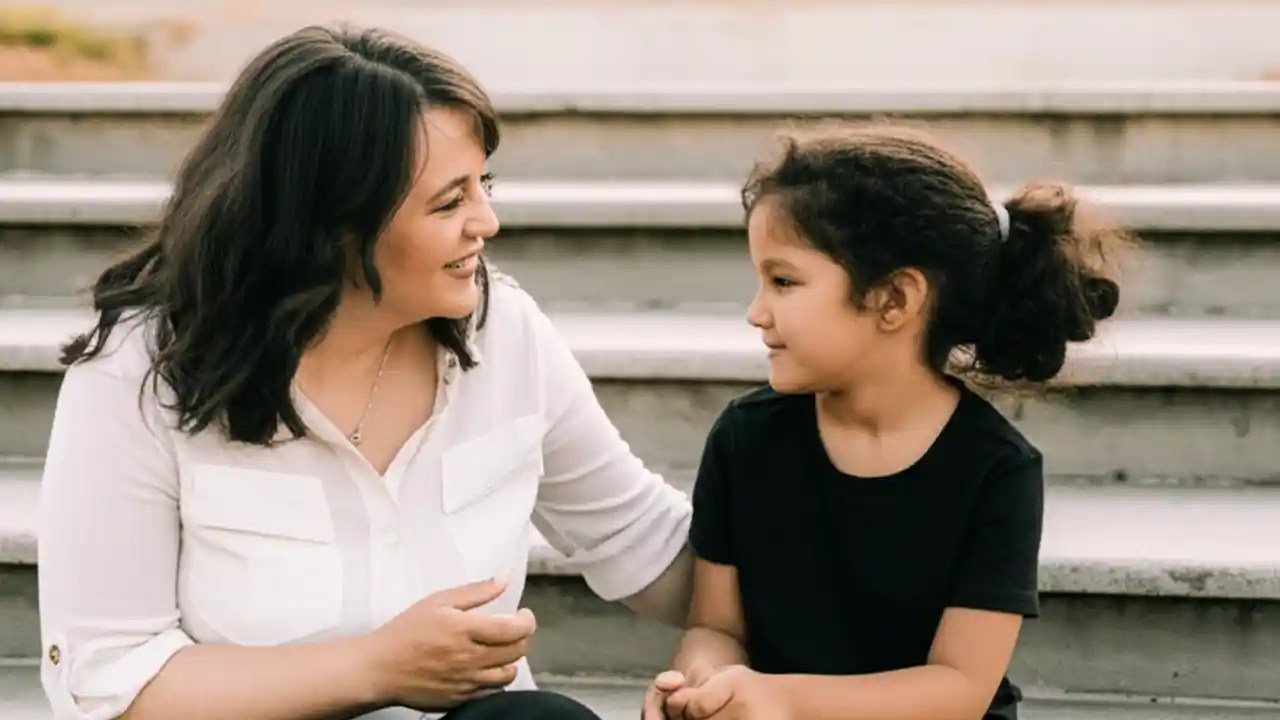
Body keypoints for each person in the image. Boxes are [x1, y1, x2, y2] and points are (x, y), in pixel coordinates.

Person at [37, 25, 693, 720]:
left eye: (483, 185)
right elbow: (108, 678)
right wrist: (376, 667)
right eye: (450, 202)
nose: (487, 221)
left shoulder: (503, 333)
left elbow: (642, 541)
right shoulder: (138, 374)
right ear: (332, 229)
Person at [642, 125, 1129, 720]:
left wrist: (784, 700)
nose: (756, 312)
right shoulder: (746, 438)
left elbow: (960, 687)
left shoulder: (996, 469)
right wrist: (705, 685)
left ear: (895, 300)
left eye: (784, 281)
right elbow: (716, 627)